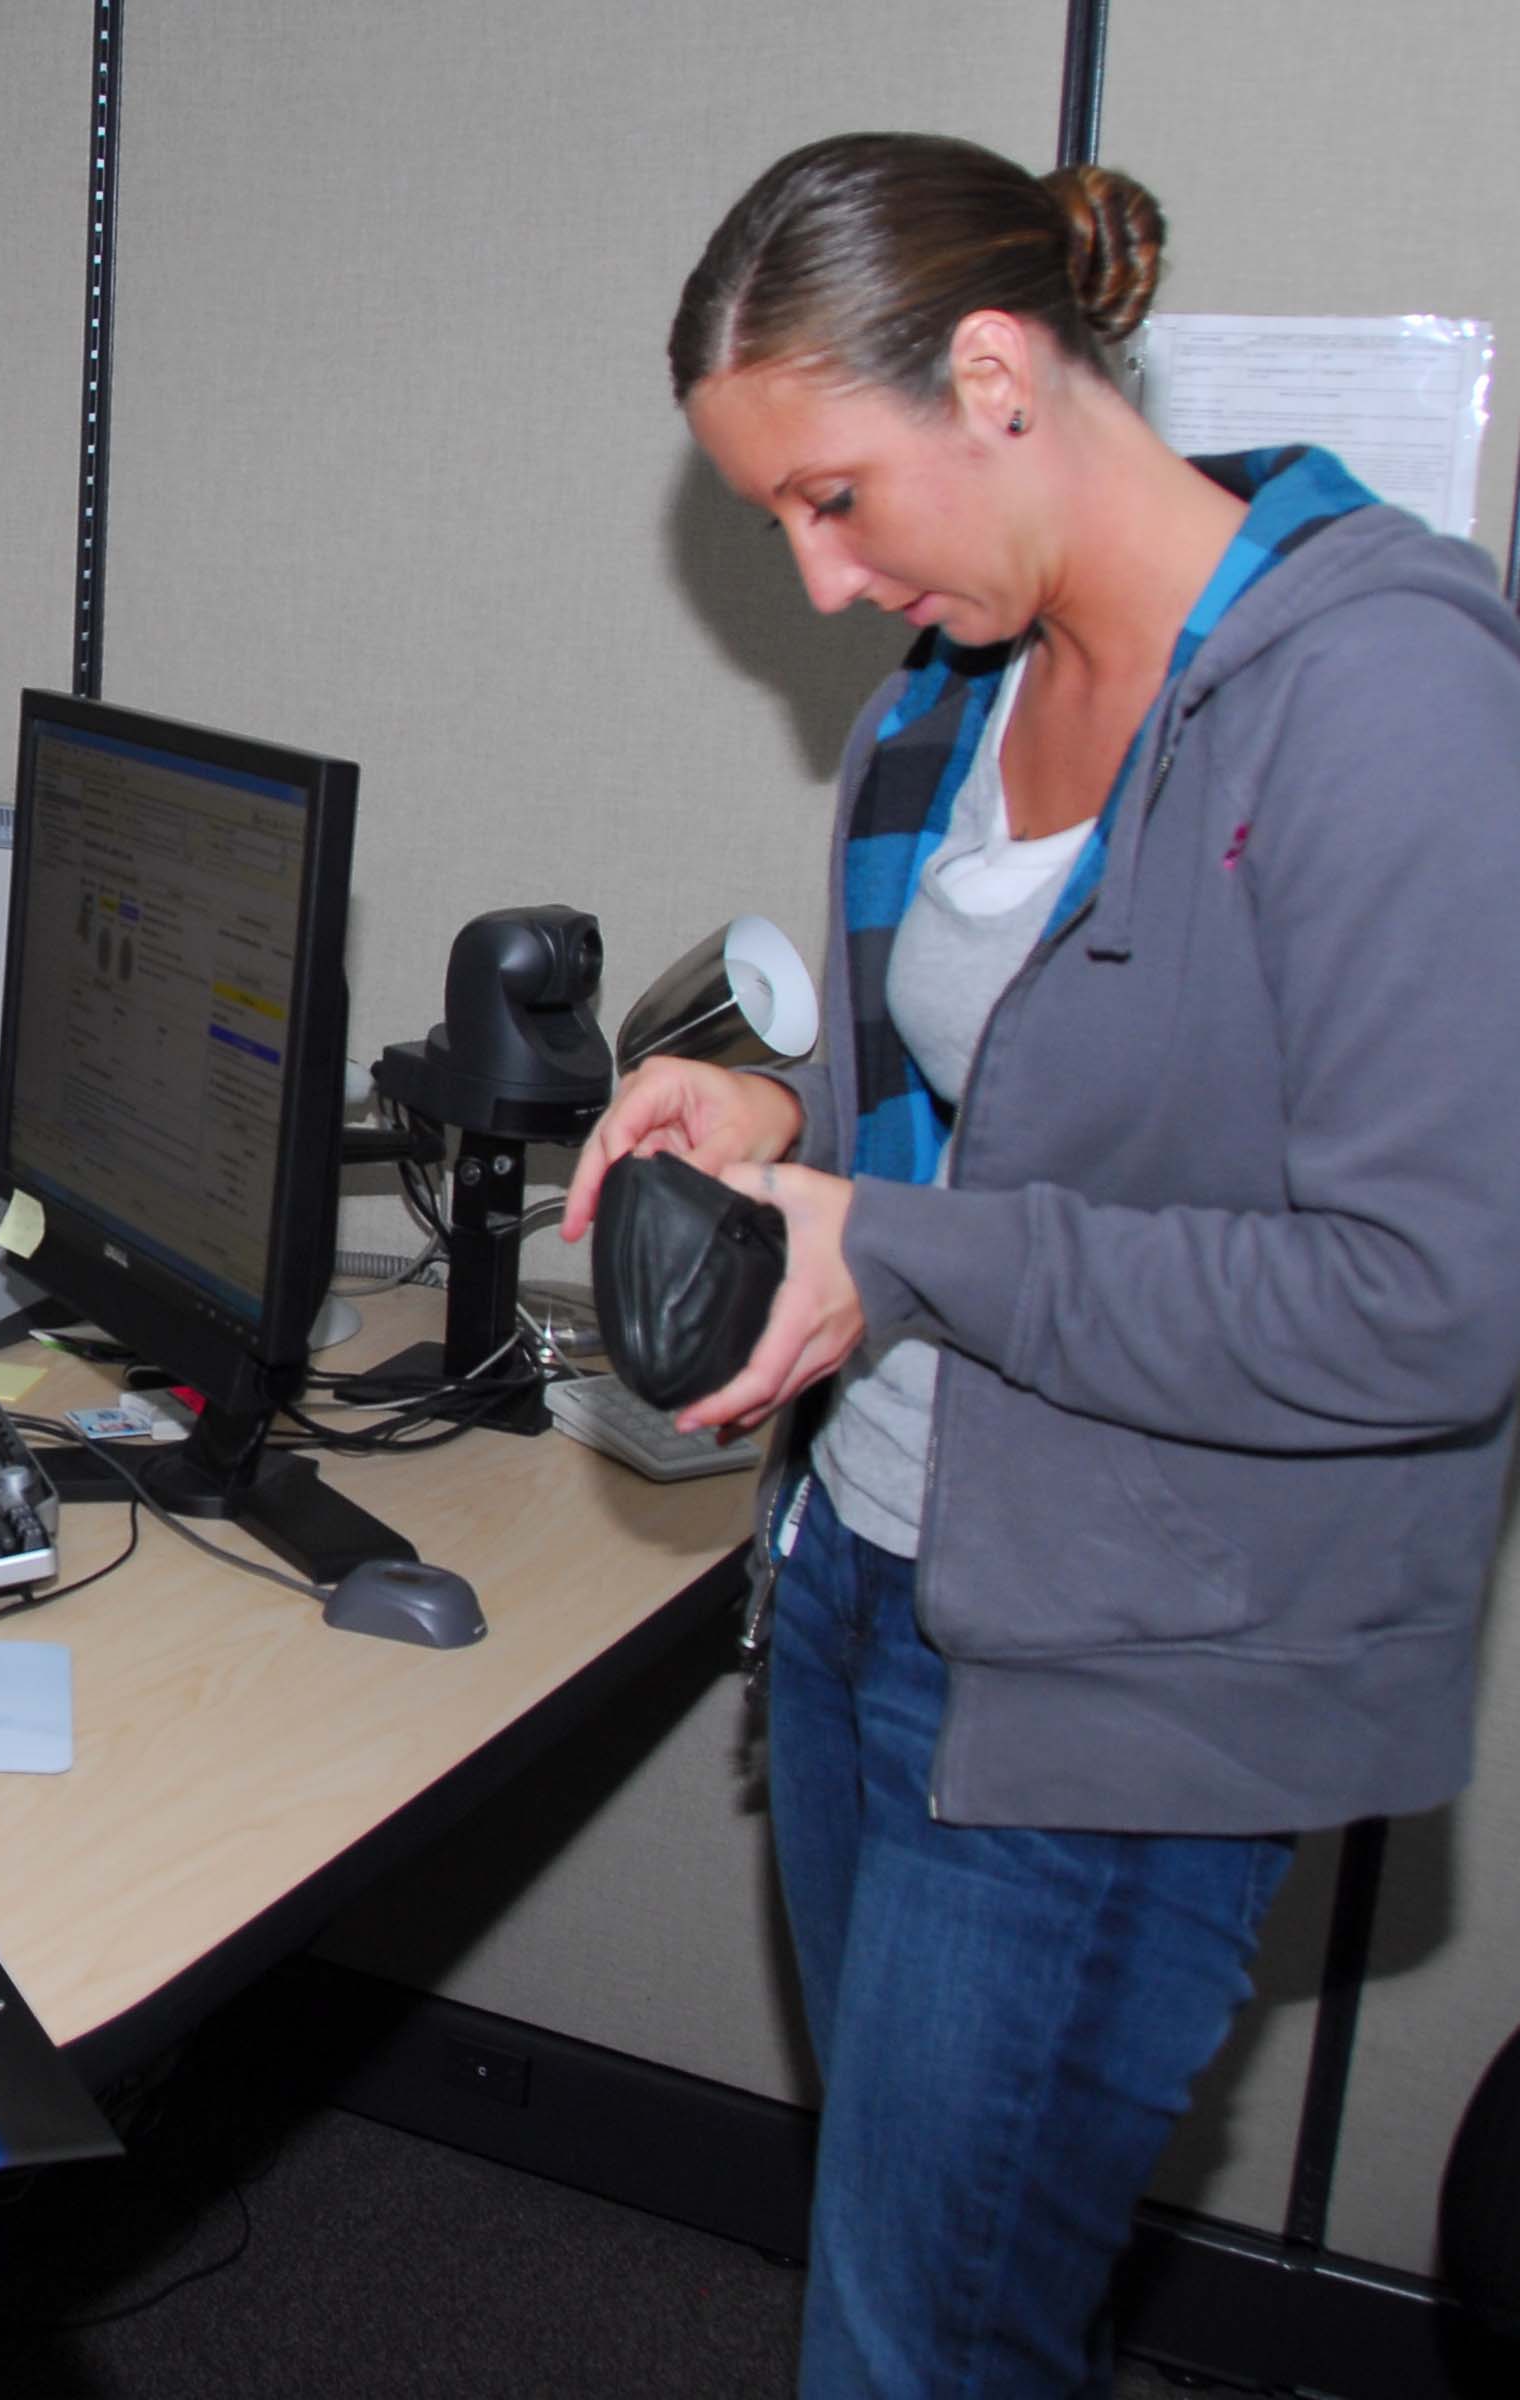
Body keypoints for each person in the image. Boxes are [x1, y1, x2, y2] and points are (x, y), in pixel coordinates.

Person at [561, 134, 1520, 2393]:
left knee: (920, 2350)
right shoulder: (956, 685)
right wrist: (794, 1124)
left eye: (831, 497)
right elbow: (1034, 1120)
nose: (812, 580)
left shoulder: (1385, 698)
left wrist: (889, 1239)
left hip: (1123, 1671)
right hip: (872, 1568)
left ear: (998, 375)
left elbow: (1428, 1303)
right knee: (927, 2308)